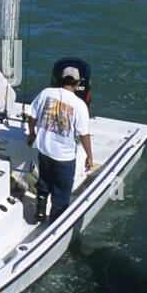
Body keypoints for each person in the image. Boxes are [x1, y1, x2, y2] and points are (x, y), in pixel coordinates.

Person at [27, 67, 93, 224]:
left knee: (44, 181)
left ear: (60, 79)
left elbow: (32, 116)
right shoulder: (79, 105)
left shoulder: (46, 93)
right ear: (78, 83)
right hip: (64, 157)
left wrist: (32, 134)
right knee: (61, 193)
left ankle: (40, 212)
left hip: (44, 149)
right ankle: (55, 223)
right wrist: (89, 155)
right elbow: (84, 134)